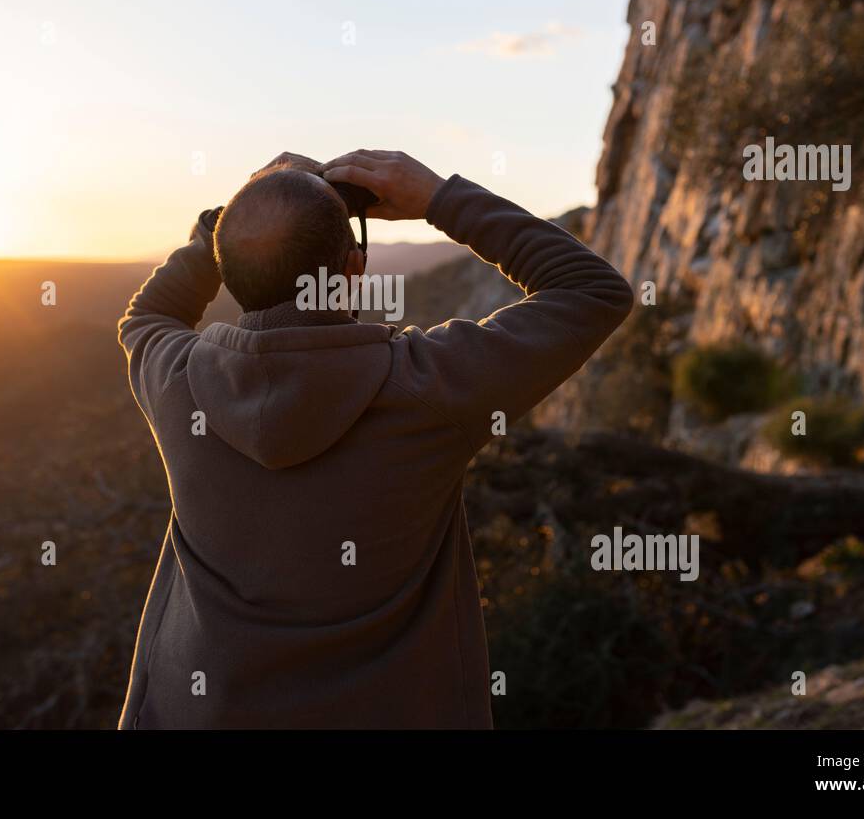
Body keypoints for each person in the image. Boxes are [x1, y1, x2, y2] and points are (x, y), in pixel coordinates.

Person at [116, 149, 634, 728]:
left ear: (224, 269)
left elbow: (147, 315)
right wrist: (437, 198)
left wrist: (228, 221)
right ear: (354, 268)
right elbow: (592, 290)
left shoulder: (178, 383)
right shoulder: (426, 388)